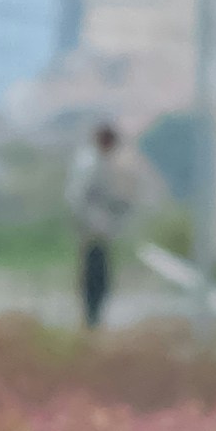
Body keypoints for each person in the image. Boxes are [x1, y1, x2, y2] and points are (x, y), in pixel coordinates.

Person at [65, 121, 145, 333]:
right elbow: (80, 198)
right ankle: (92, 319)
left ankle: (94, 319)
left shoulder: (98, 162)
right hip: (93, 230)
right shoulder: (91, 164)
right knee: (95, 277)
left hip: (99, 228)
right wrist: (94, 223)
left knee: (99, 276)